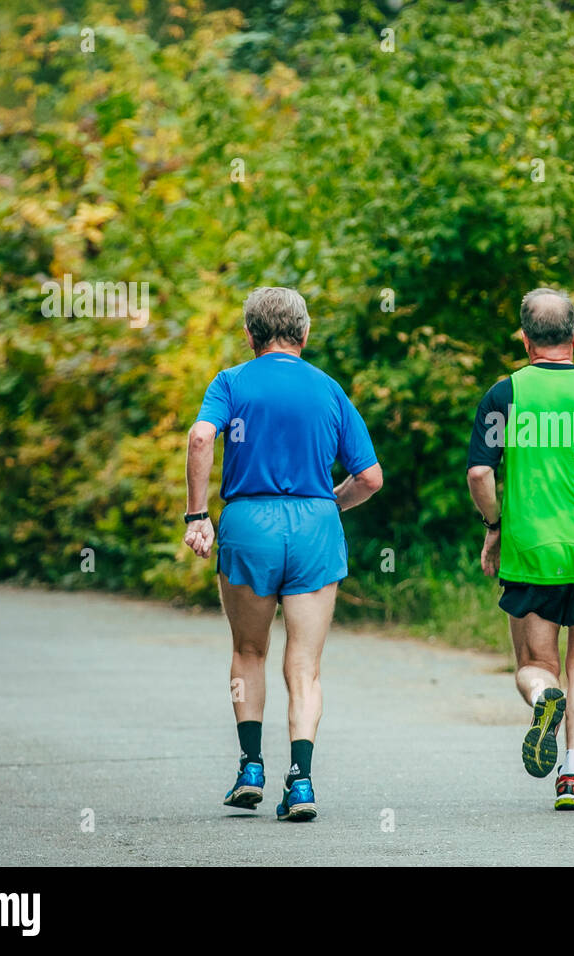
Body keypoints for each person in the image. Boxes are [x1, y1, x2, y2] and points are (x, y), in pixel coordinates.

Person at [183, 287, 383, 821]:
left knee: (250, 651)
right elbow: (370, 477)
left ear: (250, 335)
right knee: (305, 666)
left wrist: (197, 515)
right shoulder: (329, 390)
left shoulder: (231, 383)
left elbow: (202, 438)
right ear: (305, 333)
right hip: (315, 525)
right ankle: (301, 782)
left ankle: (251, 767)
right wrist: (330, 504)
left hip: (249, 524)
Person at [467, 288, 574, 811]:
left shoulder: (505, 394)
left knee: (534, 663)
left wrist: (494, 524)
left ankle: (545, 699)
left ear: (525, 340)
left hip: (531, 553)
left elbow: (480, 471)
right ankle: (572, 775)